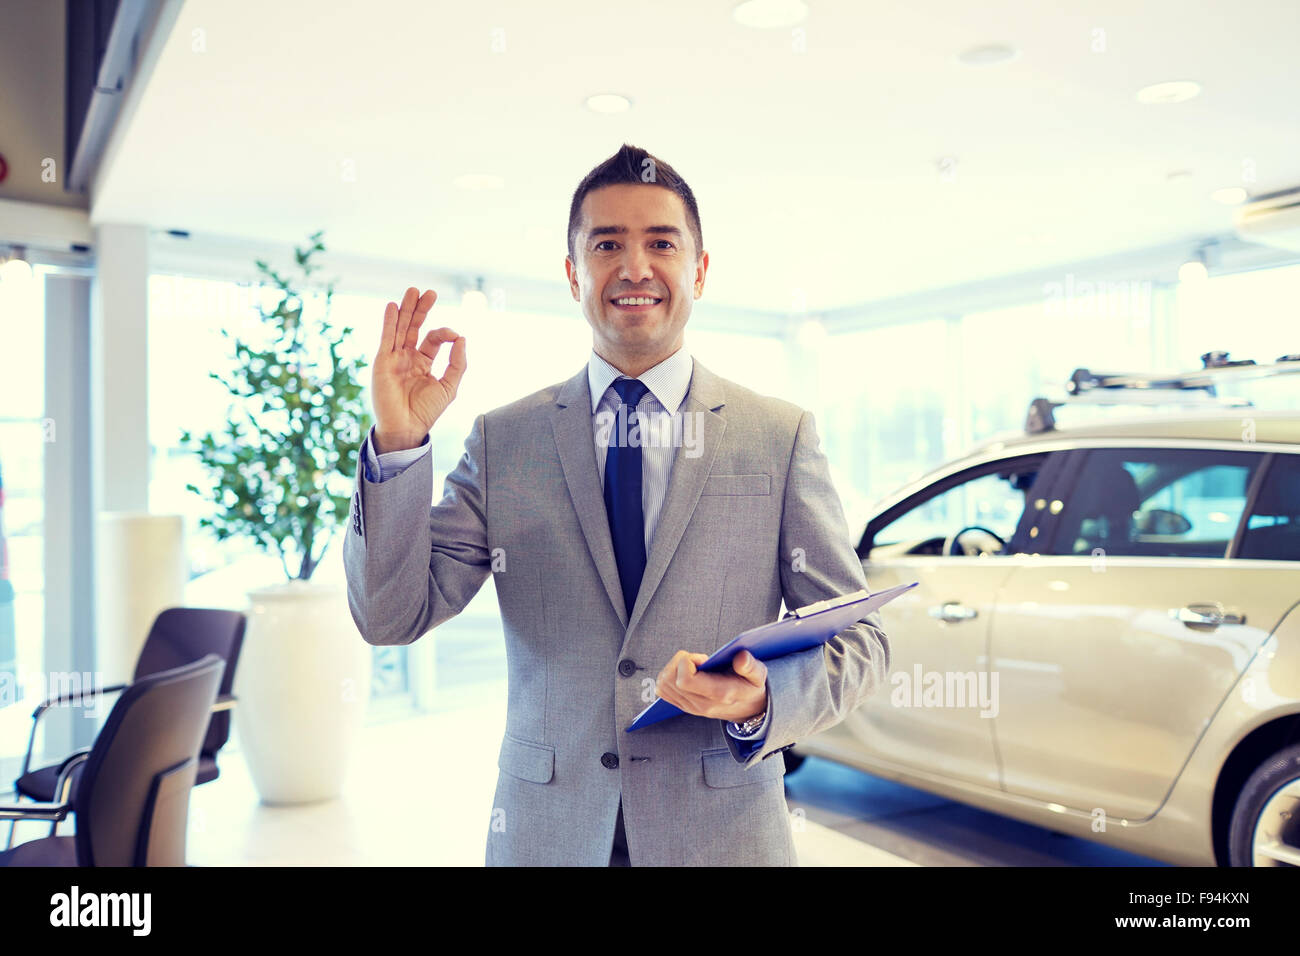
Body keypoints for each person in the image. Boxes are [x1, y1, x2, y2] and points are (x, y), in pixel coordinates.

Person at [343, 144, 890, 866]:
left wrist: (762, 701)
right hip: (550, 834)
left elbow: (862, 642)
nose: (635, 268)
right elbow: (390, 616)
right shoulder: (507, 441)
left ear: (699, 269)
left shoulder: (776, 436)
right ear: (574, 274)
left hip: (721, 836)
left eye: (661, 243)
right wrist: (400, 440)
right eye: (607, 245)